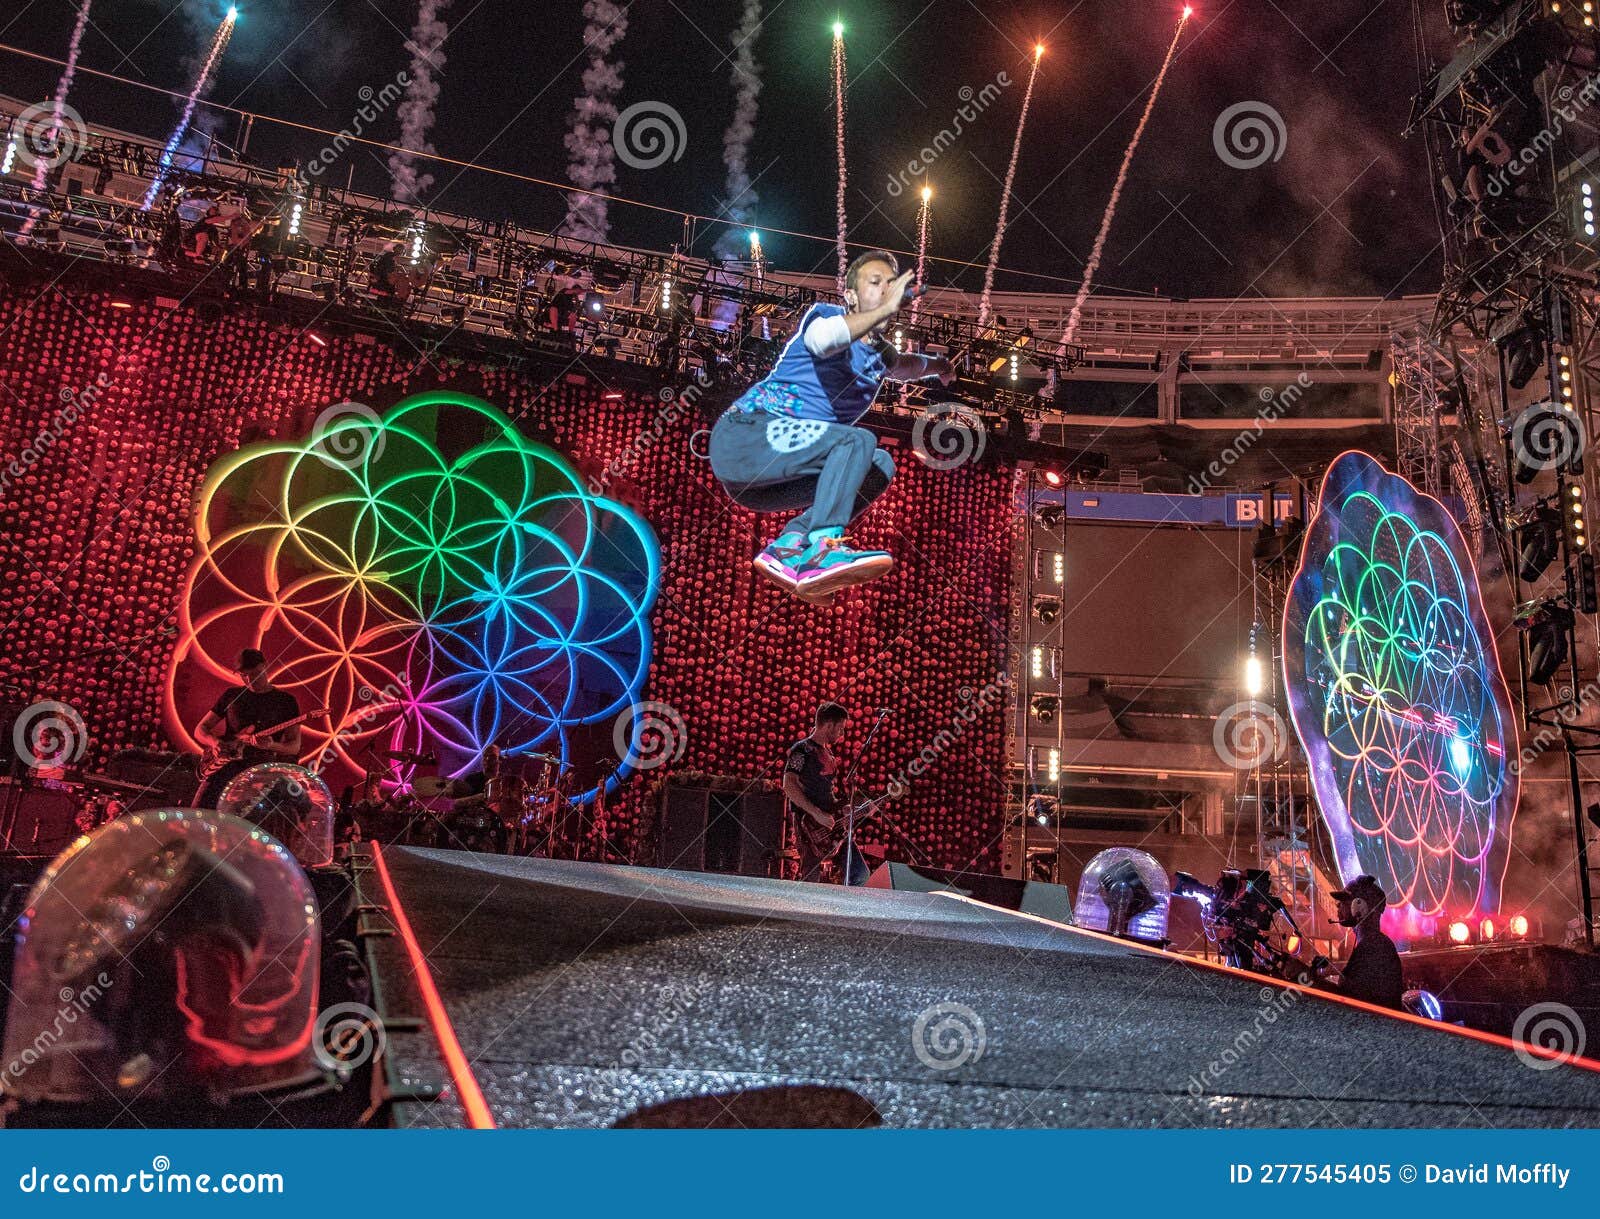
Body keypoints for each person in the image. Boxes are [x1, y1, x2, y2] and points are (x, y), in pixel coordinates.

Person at [709, 250, 955, 604]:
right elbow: (824, 341)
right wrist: (885, 308)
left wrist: (940, 366)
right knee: (857, 441)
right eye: (876, 283)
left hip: (763, 485)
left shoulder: (881, 355)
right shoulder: (825, 317)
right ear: (851, 297)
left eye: (891, 284)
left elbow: (907, 366)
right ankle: (823, 549)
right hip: (746, 437)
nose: (887, 291)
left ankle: (790, 546)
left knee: (879, 464)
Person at [192, 648, 303, 808]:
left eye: (255, 673)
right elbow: (201, 729)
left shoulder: (286, 701)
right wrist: (214, 742)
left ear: (265, 666)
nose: (250, 680)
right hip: (225, 765)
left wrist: (271, 745)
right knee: (199, 812)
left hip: (261, 774)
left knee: (244, 825)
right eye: (244, 675)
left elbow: (294, 747)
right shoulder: (232, 695)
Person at [782, 702, 866, 885]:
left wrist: (841, 808)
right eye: (840, 728)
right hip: (809, 825)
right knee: (810, 876)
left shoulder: (828, 753)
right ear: (829, 725)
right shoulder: (802, 749)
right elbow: (789, 784)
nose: (842, 734)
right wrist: (816, 813)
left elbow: (826, 792)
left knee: (859, 873)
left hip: (831, 824)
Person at [1324, 874, 1405, 1010]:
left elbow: (1348, 999)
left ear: (1359, 906)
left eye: (1343, 901)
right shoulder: (1374, 944)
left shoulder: (1374, 948)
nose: (1338, 906)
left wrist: (1309, 979)